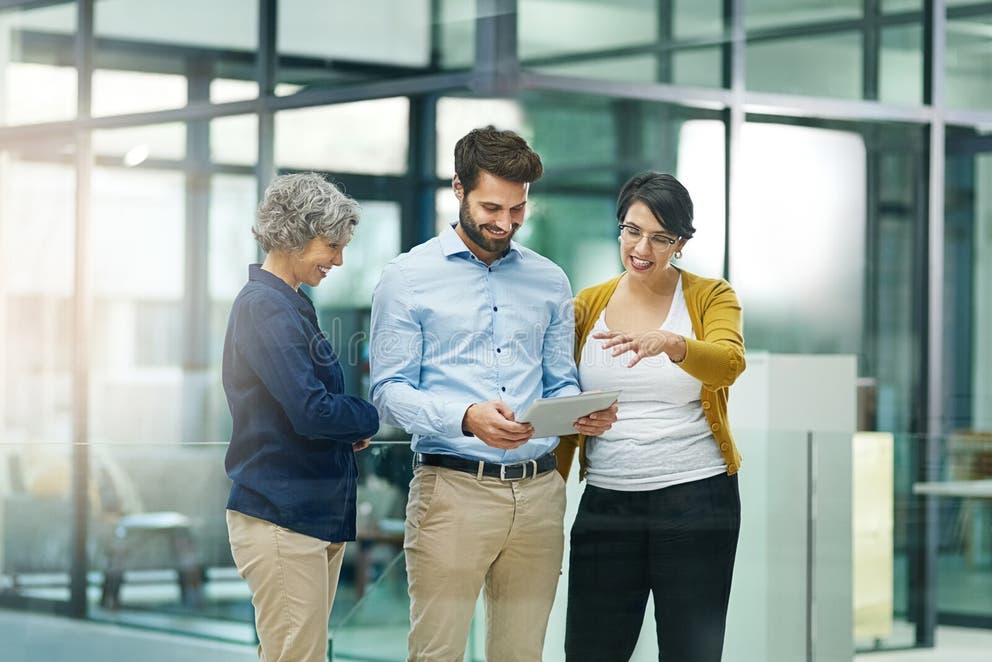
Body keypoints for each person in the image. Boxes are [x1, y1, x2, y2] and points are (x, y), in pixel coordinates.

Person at [369, 125, 617, 661]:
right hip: (452, 493)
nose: (505, 224)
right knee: (437, 654)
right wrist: (466, 416)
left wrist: (577, 413)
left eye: (518, 209)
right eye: (491, 208)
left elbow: (559, 379)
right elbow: (387, 392)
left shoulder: (550, 280)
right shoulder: (406, 278)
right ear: (458, 189)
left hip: (538, 496)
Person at [556, 172, 745, 662]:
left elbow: (729, 363)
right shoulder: (586, 305)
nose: (643, 246)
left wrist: (674, 344)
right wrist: (576, 422)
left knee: (690, 651)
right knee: (590, 649)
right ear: (619, 228)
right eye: (633, 230)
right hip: (606, 502)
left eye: (661, 237)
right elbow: (557, 393)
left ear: (680, 243)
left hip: (696, 499)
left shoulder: (709, 296)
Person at [222, 173, 380, 662]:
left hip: (309, 516)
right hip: (281, 517)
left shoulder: (290, 304)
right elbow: (312, 410)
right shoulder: (265, 307)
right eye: (331, 245)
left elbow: (307, 408)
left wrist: (342, 425)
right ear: (294, 234)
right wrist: (368, 417)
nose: (338, 260)